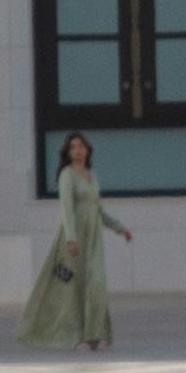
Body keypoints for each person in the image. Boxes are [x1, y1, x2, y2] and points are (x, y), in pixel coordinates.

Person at [18, 134, 113, 353]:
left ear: (88, 150)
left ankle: (97, 333)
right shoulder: (66, 175)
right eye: (73, 147)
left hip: (93, 240)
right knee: (73, 289)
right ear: (68, 152)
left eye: (81, 146)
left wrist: (119, 228)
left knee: (96, 284)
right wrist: (71, 238)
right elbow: (67, 209)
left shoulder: (92, 175)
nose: (78, 150)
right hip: (73, 240)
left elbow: (97, 209)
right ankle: (79, 337)